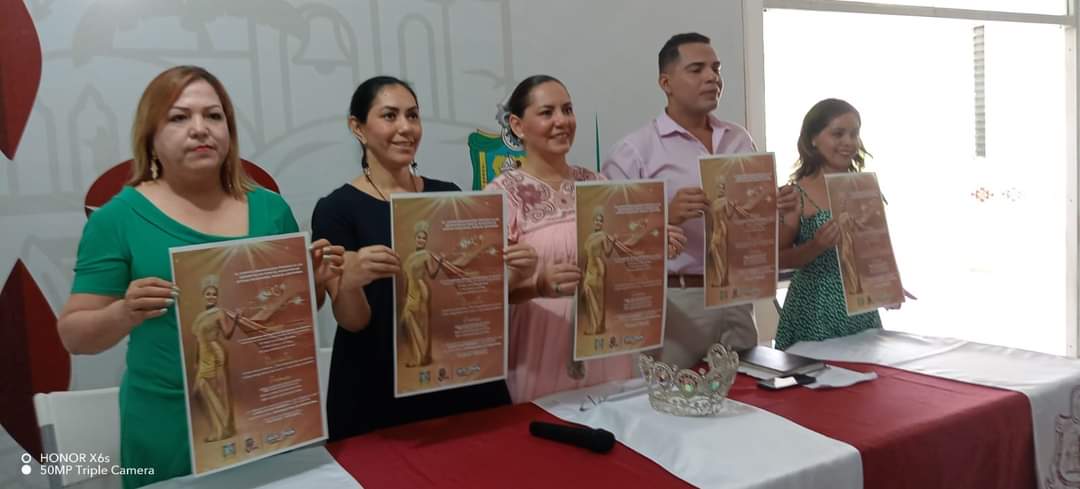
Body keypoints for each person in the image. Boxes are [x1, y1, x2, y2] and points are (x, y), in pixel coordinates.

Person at [57, 66, 343, 488]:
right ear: (151, 137)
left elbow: (291, 317)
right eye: (179, 117)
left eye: (213, 116)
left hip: (267, 413)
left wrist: (313, 283)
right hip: (168, 429)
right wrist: (124, 312)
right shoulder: (117, 219)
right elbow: (74, 336)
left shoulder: (270, 210)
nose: (200, 129)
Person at [311, 76, 536, 440]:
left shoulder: (448, 196)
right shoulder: (336, 210)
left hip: (457, 380)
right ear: (358, 127)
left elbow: (468, 294)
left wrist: (510, 272)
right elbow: (353, 321)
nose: (406, 128)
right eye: (390, 116)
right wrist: (349, 283)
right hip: (377, 391)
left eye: (413, 116)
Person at [486, 75, 686, 403]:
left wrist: (650, 246)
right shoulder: (502, 195)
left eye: (567, 110)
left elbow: (620, 265)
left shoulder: (597, 184)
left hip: (605, 342)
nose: (562, 121)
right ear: (518, 126)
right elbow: (485, 294)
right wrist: (537, 284)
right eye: (547, 112)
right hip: (541, 343)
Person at [602, 33, 796, 367]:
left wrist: (773, 206)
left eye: (716, 68)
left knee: (747, 389)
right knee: (672, 395)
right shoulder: (634, 151)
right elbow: (610, 243)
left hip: (736, 295)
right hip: (676, 301)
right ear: (666, 83)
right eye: (696, 69)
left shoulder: (738, 139)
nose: (712, 77)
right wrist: (668, 216)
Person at [774, 98, 882, 350]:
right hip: (816, 310)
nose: (848, 142)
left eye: (854, 134)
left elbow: (871, 251)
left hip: (861, 310)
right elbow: (777, 259)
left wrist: (886, 284)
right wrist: (815, 246)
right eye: (838, 134)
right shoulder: (794, 194)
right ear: (813, 139)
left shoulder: (864, 189)